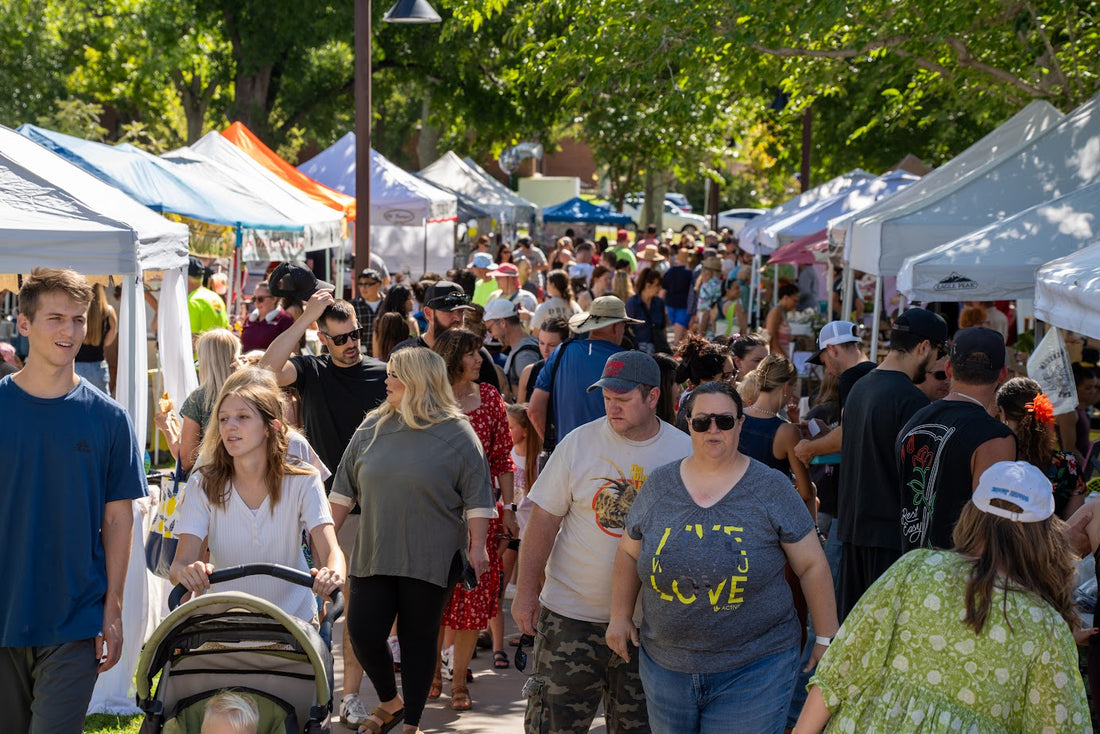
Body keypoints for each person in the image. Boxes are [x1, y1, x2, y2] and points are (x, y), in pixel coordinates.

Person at [607, 380, 838, 733]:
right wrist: (619, 616)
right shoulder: (659, 485)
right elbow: (628, 552)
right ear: (688, 423)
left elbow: (811, 564)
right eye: (702, 422)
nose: (713, 429)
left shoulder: (771, 487)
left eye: (724, 421)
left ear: (740, 423)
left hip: (755, 668)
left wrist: (825, 636)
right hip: (666, 666)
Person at [796, 461, 1089, 733]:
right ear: (1045, 534)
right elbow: (1059, 723)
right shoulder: (1046, 626)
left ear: (972, 514)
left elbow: (843, 666)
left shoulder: (914, 569)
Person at [513, 351, 693, 734]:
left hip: (651, 627)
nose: (613, 406)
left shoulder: (683, 452)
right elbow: (542, 522)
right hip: (571, 619)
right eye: (608, 397)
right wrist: (526, 592)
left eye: (623, 399)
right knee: (552, 725)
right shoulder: (578, 443)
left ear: (652, 396)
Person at [0, 268, 145, 731]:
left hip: (74, 618)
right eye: (55, 318)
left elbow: (119, 519)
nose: (70, 331)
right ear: (23, 324)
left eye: (79, 319)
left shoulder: (110, 419)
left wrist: (115, 609)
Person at [330, 348, 494, 734]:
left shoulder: (458, 432)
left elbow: (478, 496)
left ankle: (413, 722)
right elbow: (342, 491)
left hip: (431, 556)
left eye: (395, 376)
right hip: (375, 551)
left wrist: (478, 545)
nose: (385, 381)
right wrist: (321, 542)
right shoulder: (372, 426)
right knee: (363, 631)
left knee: (418, 640)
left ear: (419, 382)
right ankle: (390, 701)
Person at [258, 262, 387, 729]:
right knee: (313, 606)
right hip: (321, 510)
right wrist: (303, 321)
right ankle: (307, 691)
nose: (351, 344)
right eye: (340, 338)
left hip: (374, 510)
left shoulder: (383, 375)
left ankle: (350, 696)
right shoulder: (311, 370)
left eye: (354, 335)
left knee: (356, 610)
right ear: (322, 340)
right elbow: (266, 370)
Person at [171, 368, 345, 623]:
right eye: (223, 419)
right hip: (225, 624)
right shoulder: (203, 483)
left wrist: (332, 573)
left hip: (293, 623)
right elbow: (179, 564)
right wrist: (188, 572)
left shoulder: (304, 479)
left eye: (243, 417)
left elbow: (332, 550)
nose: (230, 426)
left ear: (270, 427)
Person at [835, 308, 947, 621]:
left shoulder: (861, 387)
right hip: (889, 542)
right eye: (939, 352)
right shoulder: (910, 399)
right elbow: (921, 483)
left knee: (856, 639)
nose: (939, 363)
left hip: (855, 533)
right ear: (924, 347)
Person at [430, 329, 516, 708]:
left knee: (472, 597)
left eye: (479, 352)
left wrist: (510, 507)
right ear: (451, 359)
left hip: (482, 514)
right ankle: (431, 671)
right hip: (432, 514)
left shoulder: (491, 399)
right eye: (471, 354)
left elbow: (503, 459)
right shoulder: (428, 401)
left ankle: (459, 681)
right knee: (432, 601)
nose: (480, 359)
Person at [896, 327, 1016, 551]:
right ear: (1003, 374)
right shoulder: (994, 437)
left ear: (949, 369)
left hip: (909, 570)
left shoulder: (914, 421)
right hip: (960, 575)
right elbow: (991, 522)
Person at [527, 295, 642, 443]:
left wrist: (557, 447)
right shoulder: (627, 361)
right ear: (616, 327)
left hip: (567, 459)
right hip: (611, 459)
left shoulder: (560, 351)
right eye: (624, 326)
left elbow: (534, 410)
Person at [996, 377, 1086, 519]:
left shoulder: (994, 460)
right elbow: (1075, 523)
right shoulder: (1069, 464)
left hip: (1003, 540)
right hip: (1053, 539)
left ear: (1002, 413)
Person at [739, 355, 815, 518]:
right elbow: (806, 493)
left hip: (735, 510)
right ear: (787, 387)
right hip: (768, 518)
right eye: (793, 388)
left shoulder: (736, 416)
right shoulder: (787, 432)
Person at [393, 280, 501, 392]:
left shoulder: (476, 355)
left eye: (461, 312)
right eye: (450, 312)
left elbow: (494, 401)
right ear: (428, 313)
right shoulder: (405, 354)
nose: (458, 318)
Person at [793, 321, 873, 466]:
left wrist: (808, 448)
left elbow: (847, 435)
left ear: (832, 349)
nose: (828, 371)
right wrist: (829, 433)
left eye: (824, 362)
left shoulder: (850, 377)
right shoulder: (876, 371)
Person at [166, 328, 241, 473]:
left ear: (205, 361)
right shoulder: (251, 392)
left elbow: (187, 461)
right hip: (248, 480)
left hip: (211, 483)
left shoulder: (200, 398)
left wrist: (168, 430)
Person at [672, 334, 732, 432]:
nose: (732, 381)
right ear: (705, 379)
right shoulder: (703, 411)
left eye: (733, 374)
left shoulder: (690, 397)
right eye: (726, 376)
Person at [484, 299, 540, 401]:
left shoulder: (525, 355)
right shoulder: (523, 347)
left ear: (502, 322)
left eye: (490, 330)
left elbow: (531, 401)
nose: (491, 335)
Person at [73, 282, 117, 394]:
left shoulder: (76, 310)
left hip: (76, 366)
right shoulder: (109, 311)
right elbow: (108, 341)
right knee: (101, 408)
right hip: (98, 366)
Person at [516, 317, 569, 404]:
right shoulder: (528, 372)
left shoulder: (571, 373)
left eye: (552, 345)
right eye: (541, 343)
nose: (545, 350)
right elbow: (519, 412)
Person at [240, 280, 294, 353]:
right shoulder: (249, 318)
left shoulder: (285, 319)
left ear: (274, 299)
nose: (256, 302)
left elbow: (291, 350)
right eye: (254, 299)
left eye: (260, 299)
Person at [625, 267, 670, 355]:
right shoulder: (633, 303)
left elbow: (663, 328)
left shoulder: (659, 303)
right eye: (657, 285)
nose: (659, 288)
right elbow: (627, 329)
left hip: (657, 349)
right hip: (638, 350)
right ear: (647, 285)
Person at [188, 255, 229, 343]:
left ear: (187, 277)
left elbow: (192, 342)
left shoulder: (192, 301)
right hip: (218, 354)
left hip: (200, 356)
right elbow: (226, 330)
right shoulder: (216, 297)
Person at [661, 248, 694, 345]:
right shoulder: (689, 273)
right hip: (683, 305)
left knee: (679, 332)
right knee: (679, 336)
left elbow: (663, 289)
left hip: (670, 304)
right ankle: (676, 353)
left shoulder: (670, 271)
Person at [349, 269, 385, 358]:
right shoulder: (352, 306)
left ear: (378, 284)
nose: (363, 288)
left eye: (368, 284)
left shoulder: (387, 304)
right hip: (360, 357)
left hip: (384, 356)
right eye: (360, 284)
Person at [765, 283, 799, 356]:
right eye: (794, 301)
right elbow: (771, 337)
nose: (796, 304)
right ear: (786, 297)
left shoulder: (782, 312)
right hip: (776, 358)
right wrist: (783, 357)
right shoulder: (776, 311)